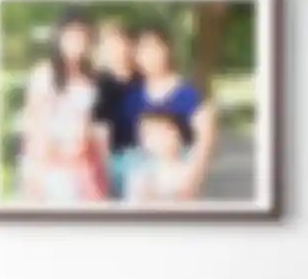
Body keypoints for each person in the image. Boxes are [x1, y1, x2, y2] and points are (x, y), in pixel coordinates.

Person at [19, 9, 106, 203]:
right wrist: (54, 154)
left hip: (80, 161)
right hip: (47, 161)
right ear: (59, 38)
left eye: (83, 38)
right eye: (72, 36)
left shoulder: (89, 81)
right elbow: (34, 123)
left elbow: (86, 125)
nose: (77, 44)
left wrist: (81, 151)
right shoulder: (44, 74)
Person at [122, 24, 217, 199]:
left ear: (167, 49)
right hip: (144, 184)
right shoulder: (133, 96)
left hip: (181, 180)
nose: (148, 56)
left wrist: (192, 182)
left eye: (154, 47)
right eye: (141, 50)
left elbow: (206, 141)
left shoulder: (189, 93)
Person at [92, 19, 140, 199]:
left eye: (120, 42)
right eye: (110, 44)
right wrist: (105, 168)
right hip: (113, 158)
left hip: (142, 156)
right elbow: (98, 129)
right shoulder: (99, 83)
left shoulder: (142, 79)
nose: (117, 49)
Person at [126, 111, 191, 203]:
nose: (159, 139)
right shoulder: (140, 175)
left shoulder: (190, 168)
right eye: (148, 134)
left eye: (166, 130)